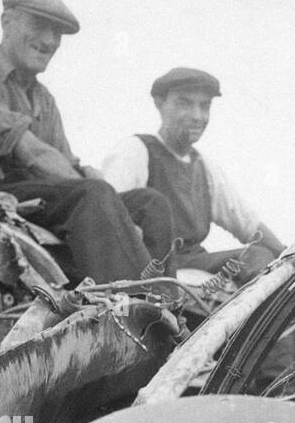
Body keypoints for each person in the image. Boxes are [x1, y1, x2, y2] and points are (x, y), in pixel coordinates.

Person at [0, 0, 172, 284]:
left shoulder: (43, 98)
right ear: (7, 22)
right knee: (93, 195)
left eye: (56, 33)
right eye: (38, 25)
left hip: (23, 200)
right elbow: (33, 153)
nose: (49, 40)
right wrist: (114, 210)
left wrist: (97, 181)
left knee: (150, 205)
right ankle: (132, 309)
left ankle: (166, 306)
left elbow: (67, 162)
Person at [101, 68, 284, 283]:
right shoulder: (136, 149)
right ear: (159, 104)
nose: (197, 116)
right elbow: (109, 218)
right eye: (184, 103)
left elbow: (247, 224)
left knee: (265, 256)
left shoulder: (204, 167)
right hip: (153, 266)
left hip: (194, 260)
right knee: (258, 257)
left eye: (204, 106)